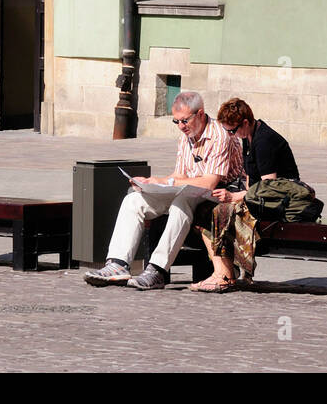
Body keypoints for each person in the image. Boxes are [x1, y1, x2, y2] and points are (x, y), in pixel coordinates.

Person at [83, 90, 243, 290]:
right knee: (134, 200)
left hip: (220, 193)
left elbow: (209, 182)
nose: (181, 127)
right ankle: (118, 264)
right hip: (189, 189)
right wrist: (152, 182)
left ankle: (157, 270)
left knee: (181, 204)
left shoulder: (219, 136)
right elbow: (179, 176)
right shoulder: (186, 137)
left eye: (184, 121)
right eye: (176, 122)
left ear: (200, 114)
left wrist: (171, 184)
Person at [189, 97, 309, 292]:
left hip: (278, 204)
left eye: (232, 130)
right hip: (258, 198)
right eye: (227, 131)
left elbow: (268, 189)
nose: (231, 135)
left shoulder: (264, 141)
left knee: (215, 213)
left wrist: (233, 197)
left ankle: (225, 276)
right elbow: (249, 179)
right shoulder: (248, 136)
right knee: (204, 210)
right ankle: (224, 272)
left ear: (245, 122)